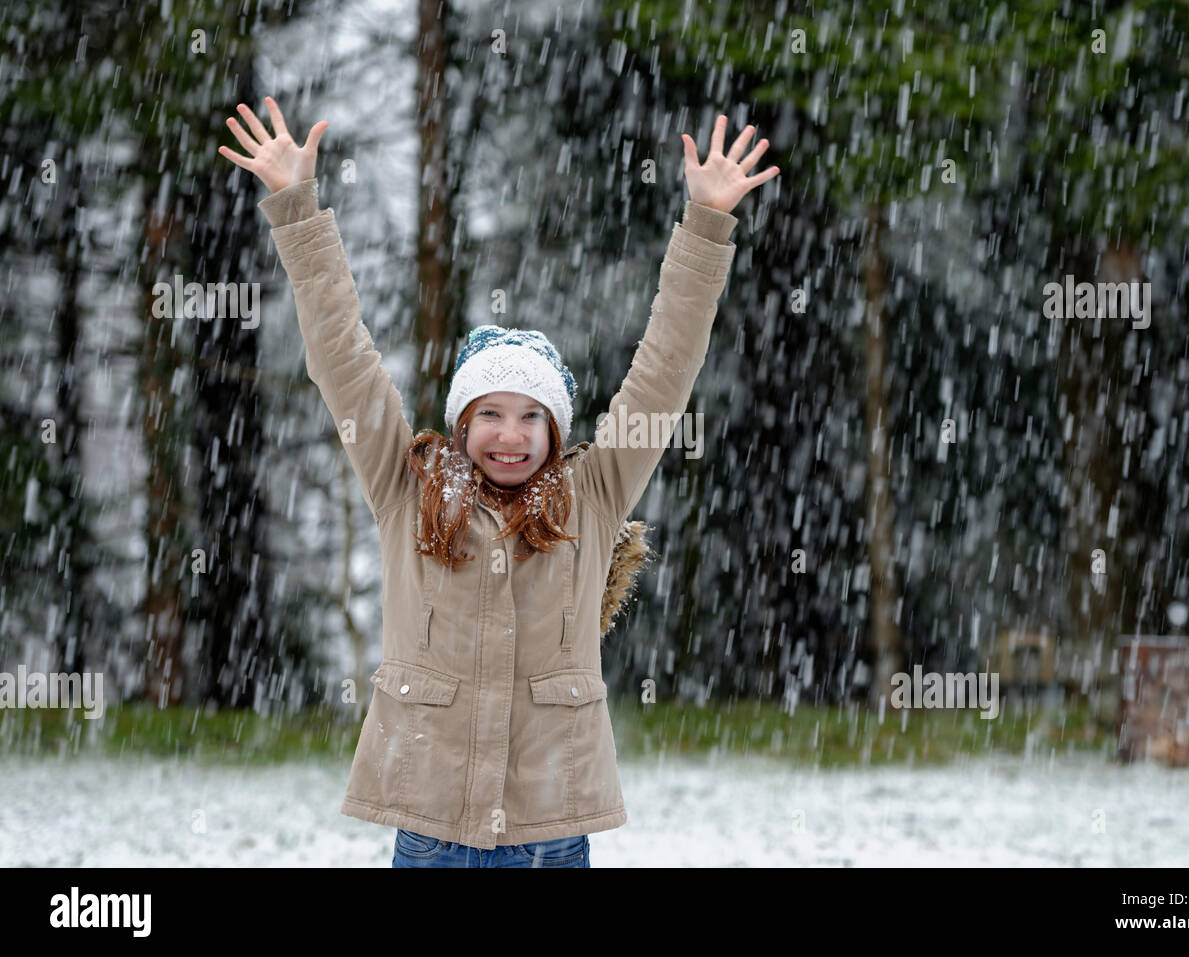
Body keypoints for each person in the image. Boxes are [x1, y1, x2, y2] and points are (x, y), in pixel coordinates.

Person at [220, 97, 778, 867]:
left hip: (550, 830)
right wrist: (295, 208)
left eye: (531, 416)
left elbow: (664, 372)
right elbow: (341, 359)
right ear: (460, 423)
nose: (510, 435)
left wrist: (707, 224)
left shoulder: (595, 493)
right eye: (490, 413)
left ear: (557, 431)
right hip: (430, 827)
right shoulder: (403, 487)